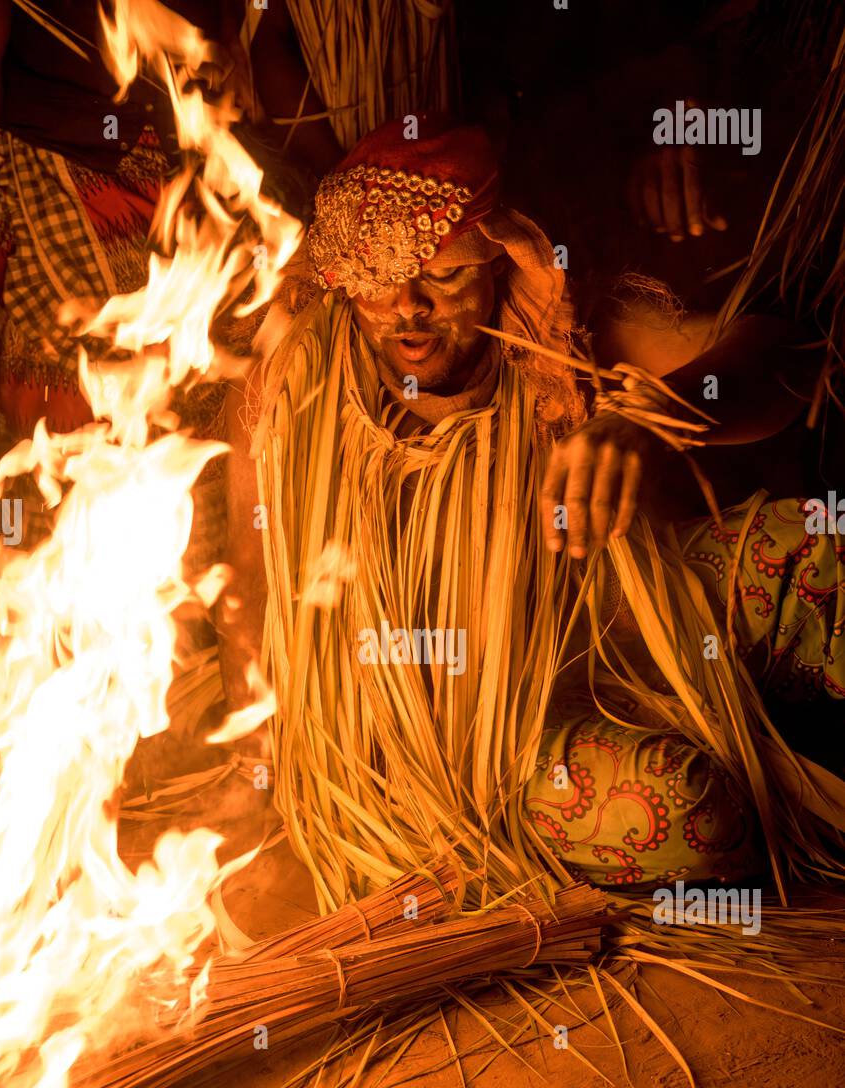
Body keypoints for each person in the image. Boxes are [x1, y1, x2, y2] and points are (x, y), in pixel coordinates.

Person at [219, 115, 845, 911]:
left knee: (826, 551)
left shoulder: (558, 333)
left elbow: (785, 365)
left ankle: (729, 729)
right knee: (688, 814)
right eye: (376, 283)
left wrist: (651, 420)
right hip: (478, 749)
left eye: (444, 278)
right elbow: (247, 592)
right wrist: (269, 775)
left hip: (622, 636)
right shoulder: (292, 385)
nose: (407, 312)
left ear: (503, 258)